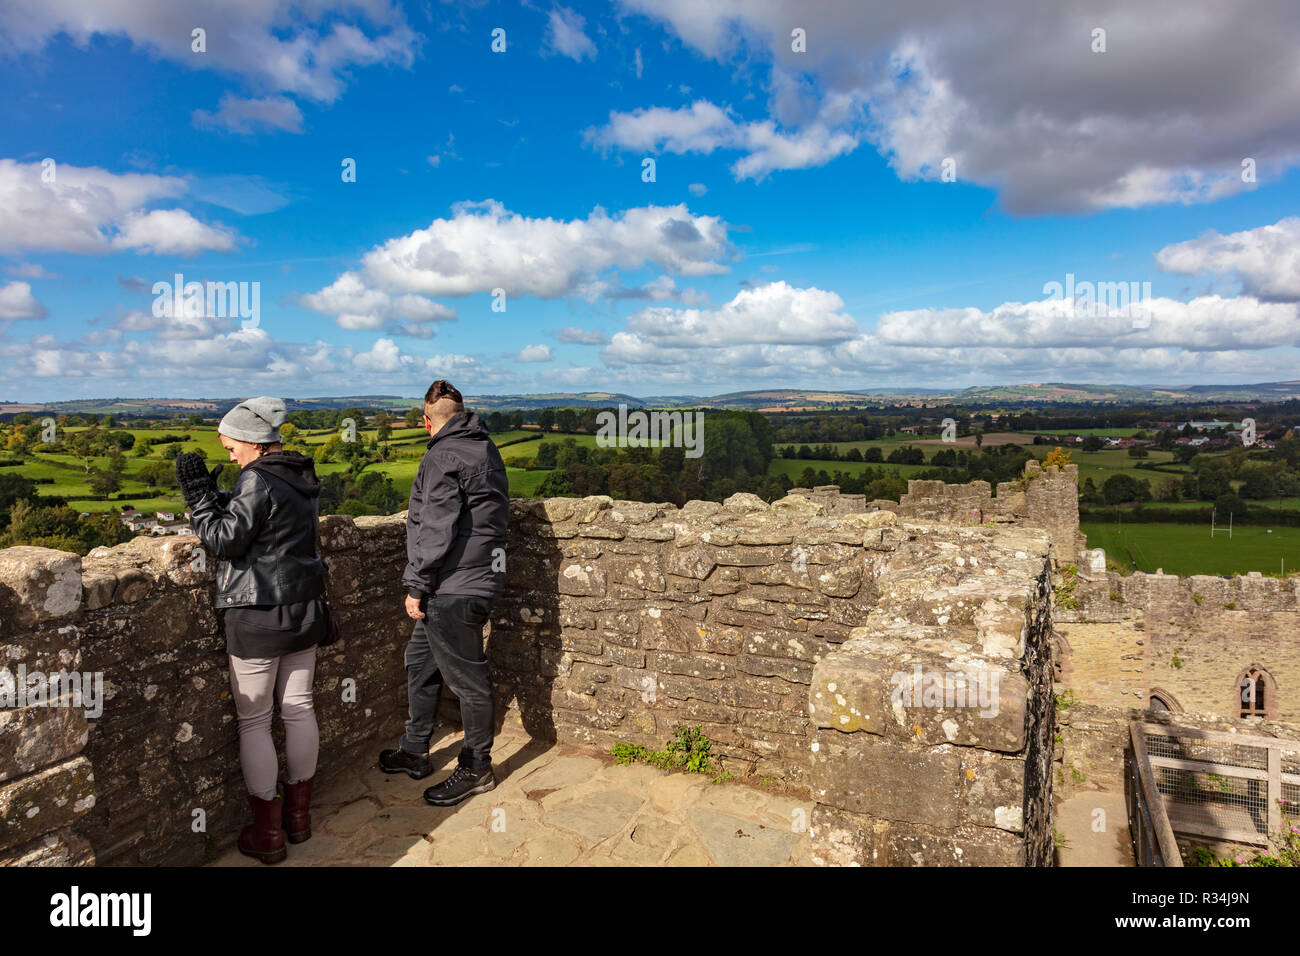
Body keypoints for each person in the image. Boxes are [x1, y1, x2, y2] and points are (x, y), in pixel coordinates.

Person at [176, 397, 329, 864]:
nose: (229, 456)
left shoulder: (258, 477)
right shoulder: (299, 474)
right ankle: (299, 820)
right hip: (304, 609)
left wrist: (201, 499)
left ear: (250, 441)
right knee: (299, 709)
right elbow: (267, 524)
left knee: (256, 719)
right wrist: (228, 499)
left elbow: (226, 540)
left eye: (230, 447)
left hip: (258, 613)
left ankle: (268, 834)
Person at [379, 380, 509, 807]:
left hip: (452, 586)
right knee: (419, 660)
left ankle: (476, 768)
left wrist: (416, 585)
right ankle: (416, 750)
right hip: (474, 579)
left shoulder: (441, 457)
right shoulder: (484, 447)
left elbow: (435, 528)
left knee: (469, 682)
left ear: (426, 421)